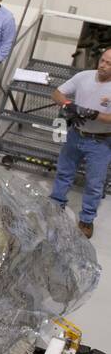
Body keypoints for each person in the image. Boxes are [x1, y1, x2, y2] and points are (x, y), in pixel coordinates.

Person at [49, 48, 111, 238]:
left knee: (94, 183)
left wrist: (93, 114)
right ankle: (55, 205)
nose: (103, 66)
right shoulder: (84, 76)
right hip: (76, 135)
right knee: (64, 172)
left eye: (109, 64)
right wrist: (69, 106)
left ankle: (86, 219)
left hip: (100, 143)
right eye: (102, 60)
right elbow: (57, 93)